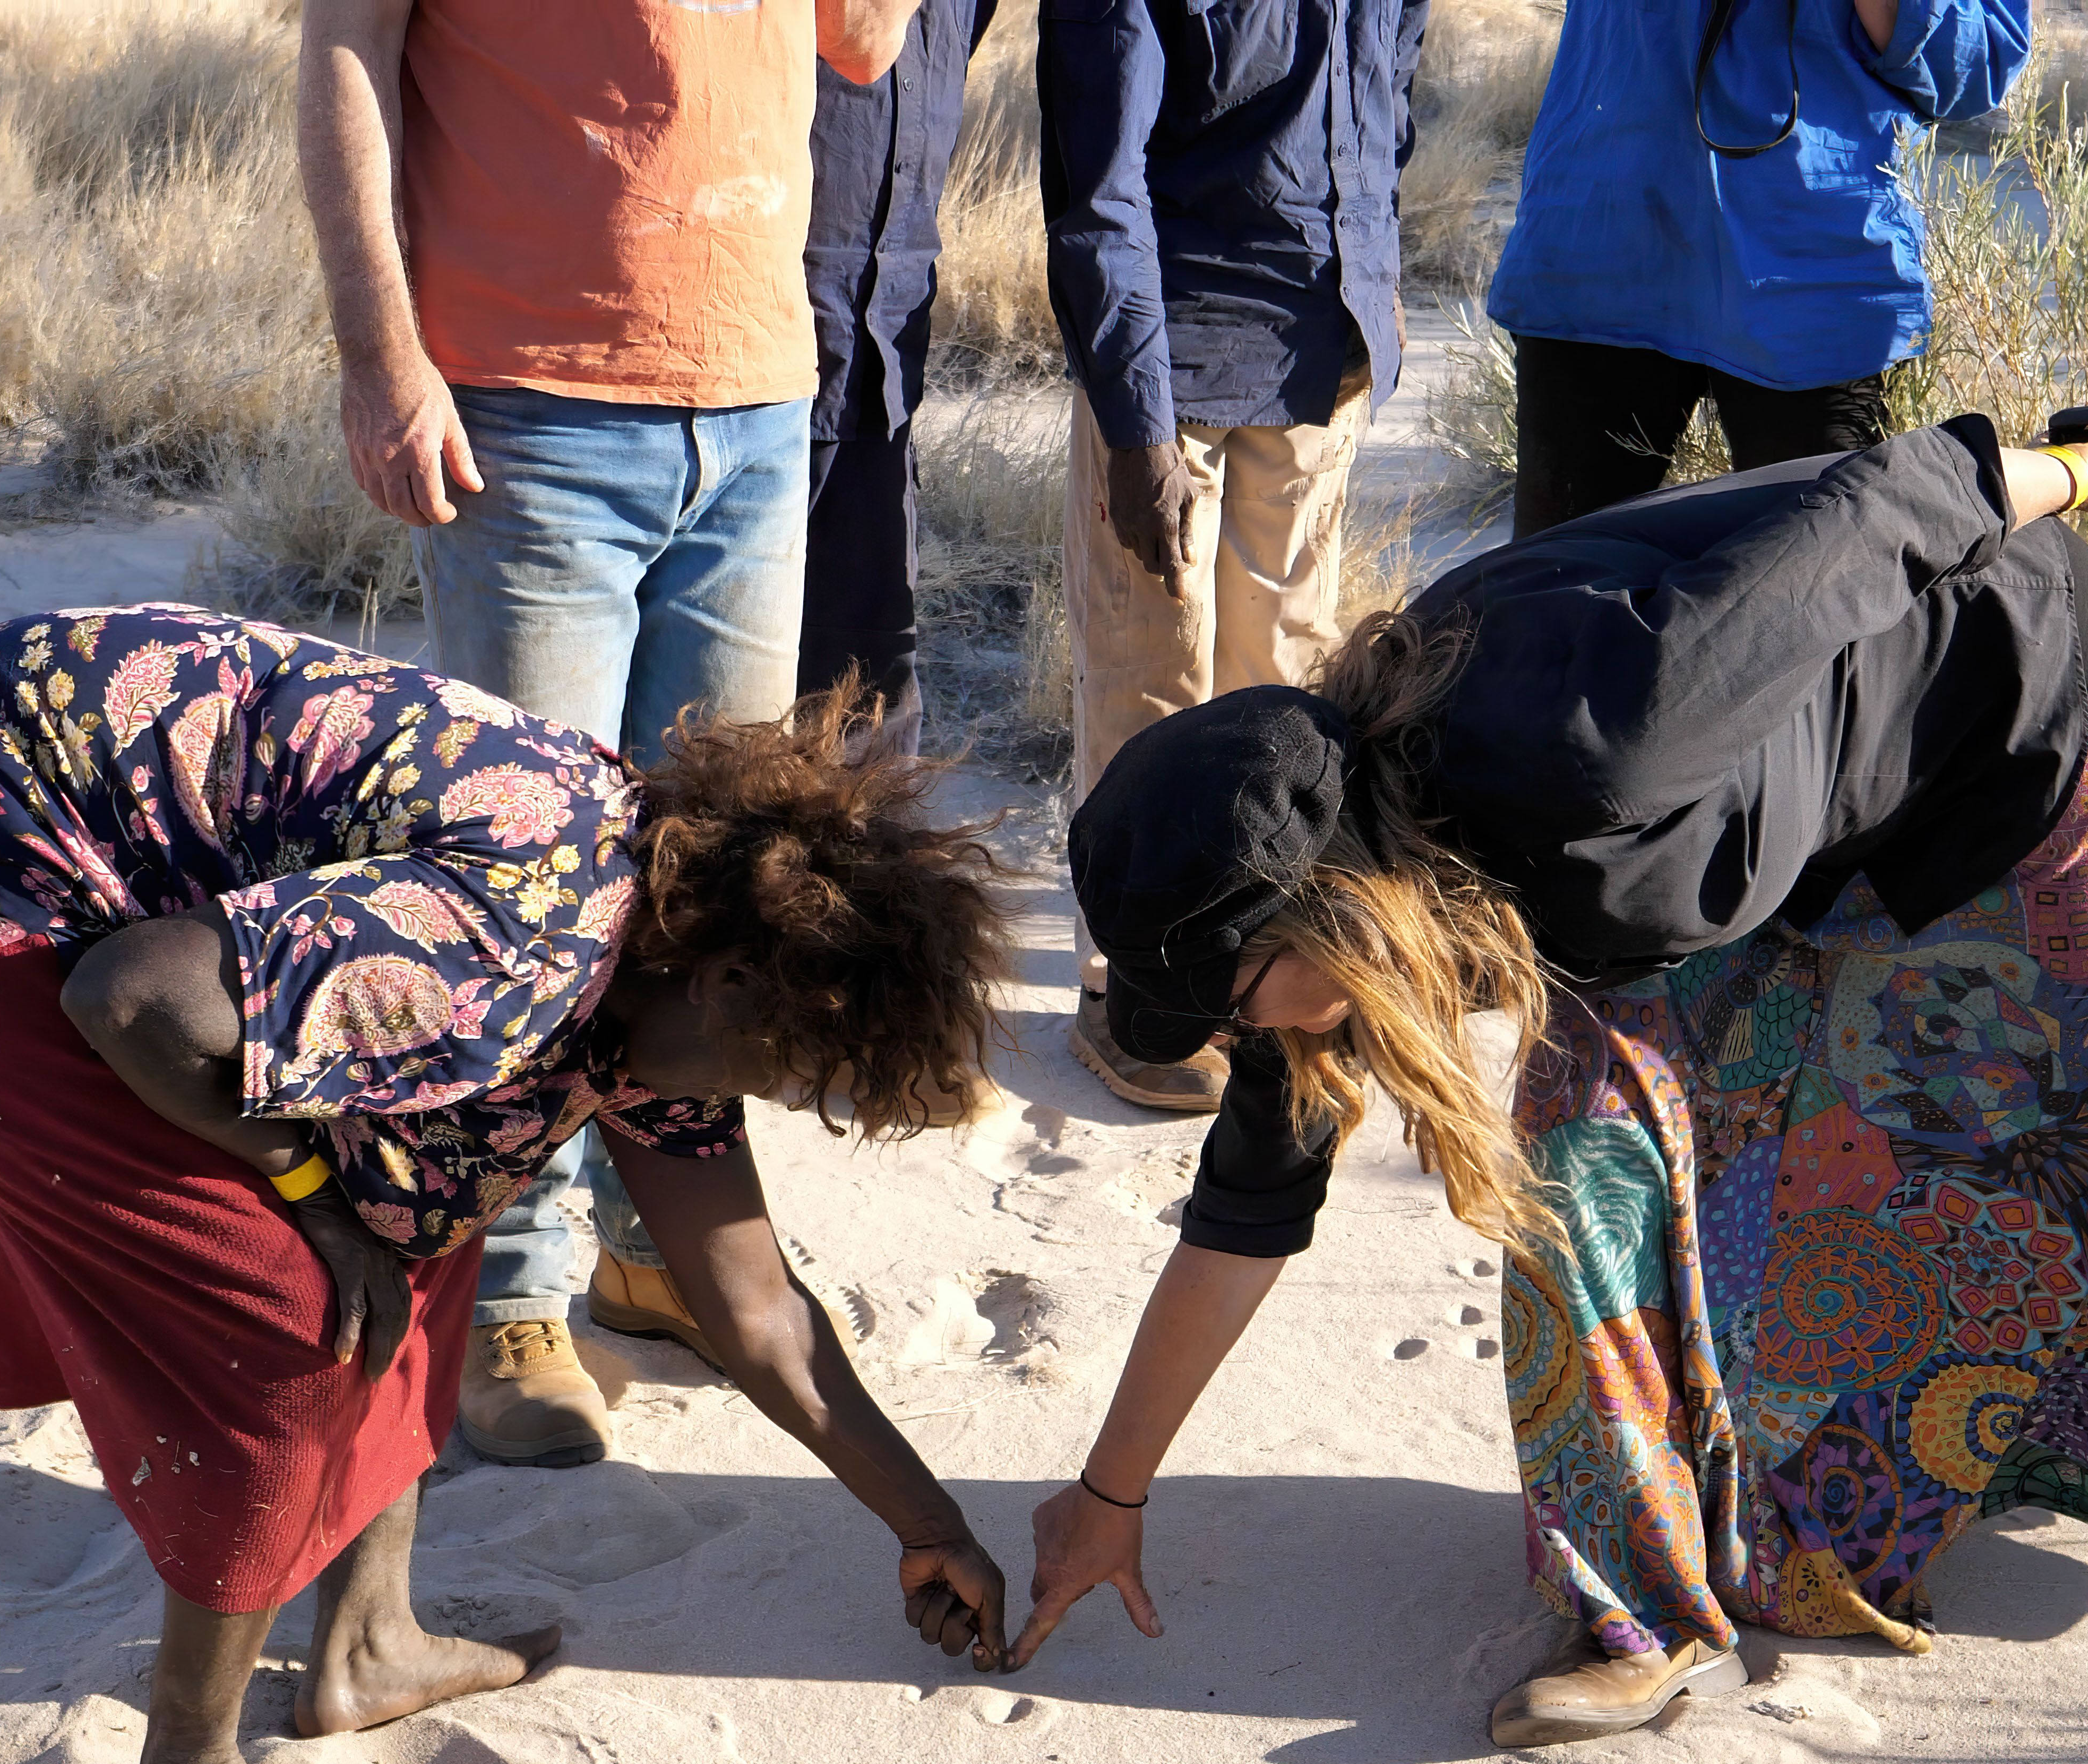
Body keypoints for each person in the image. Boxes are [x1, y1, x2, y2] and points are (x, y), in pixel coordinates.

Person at [1004, 418, 2088, 1746]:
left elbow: (1883, 507)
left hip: (2020, 718)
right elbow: (1249, 1207)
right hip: (1758, 842)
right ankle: (1637, 1610)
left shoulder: (1594, 741)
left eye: (1228, 1000)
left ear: (1325, 917)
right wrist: (1108, 1496)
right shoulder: (1371, 896)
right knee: (1577, 1169)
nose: (1225, 1037)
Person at [0, 606, 1015, 1764]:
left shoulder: (675, 950)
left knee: (424, 1204)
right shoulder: (518, 950)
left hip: (76, 814)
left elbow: (757, 1310)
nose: (748, 1097)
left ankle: (369, 1646)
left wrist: (933, 1528)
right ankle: (193, 1756)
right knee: (288, 1325)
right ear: (732, 982)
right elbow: (132, 997)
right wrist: (310, 1201)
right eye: (774, 1070)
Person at [299, 0, 922, 1468]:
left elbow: (867, 45)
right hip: (529, 410)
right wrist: (380, 358)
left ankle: (654, 1258)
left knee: (713, 888)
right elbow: (344, 53)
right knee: (526, 903)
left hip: (760, 399)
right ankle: (510, 1294)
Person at [1040, 0, 1422, 1117]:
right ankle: (1136, 994)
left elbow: (1388, 107)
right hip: (1174, 371)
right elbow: (1096, 182)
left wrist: (1375, 286)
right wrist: (1133, 423)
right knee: (1148, 693)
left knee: (1288, 696)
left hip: (1320, 349)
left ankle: (1265, 966)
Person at [1488, 0, 2029, 541]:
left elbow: (1971, 71)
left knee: (1816, 592)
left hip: (1813, 271)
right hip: (1603, 237)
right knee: (1555, 596)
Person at [803, 0, 994, 759]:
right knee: (724, 710)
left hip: (884, 356)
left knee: (867, 703)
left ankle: (864, 876)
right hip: (751, 360)